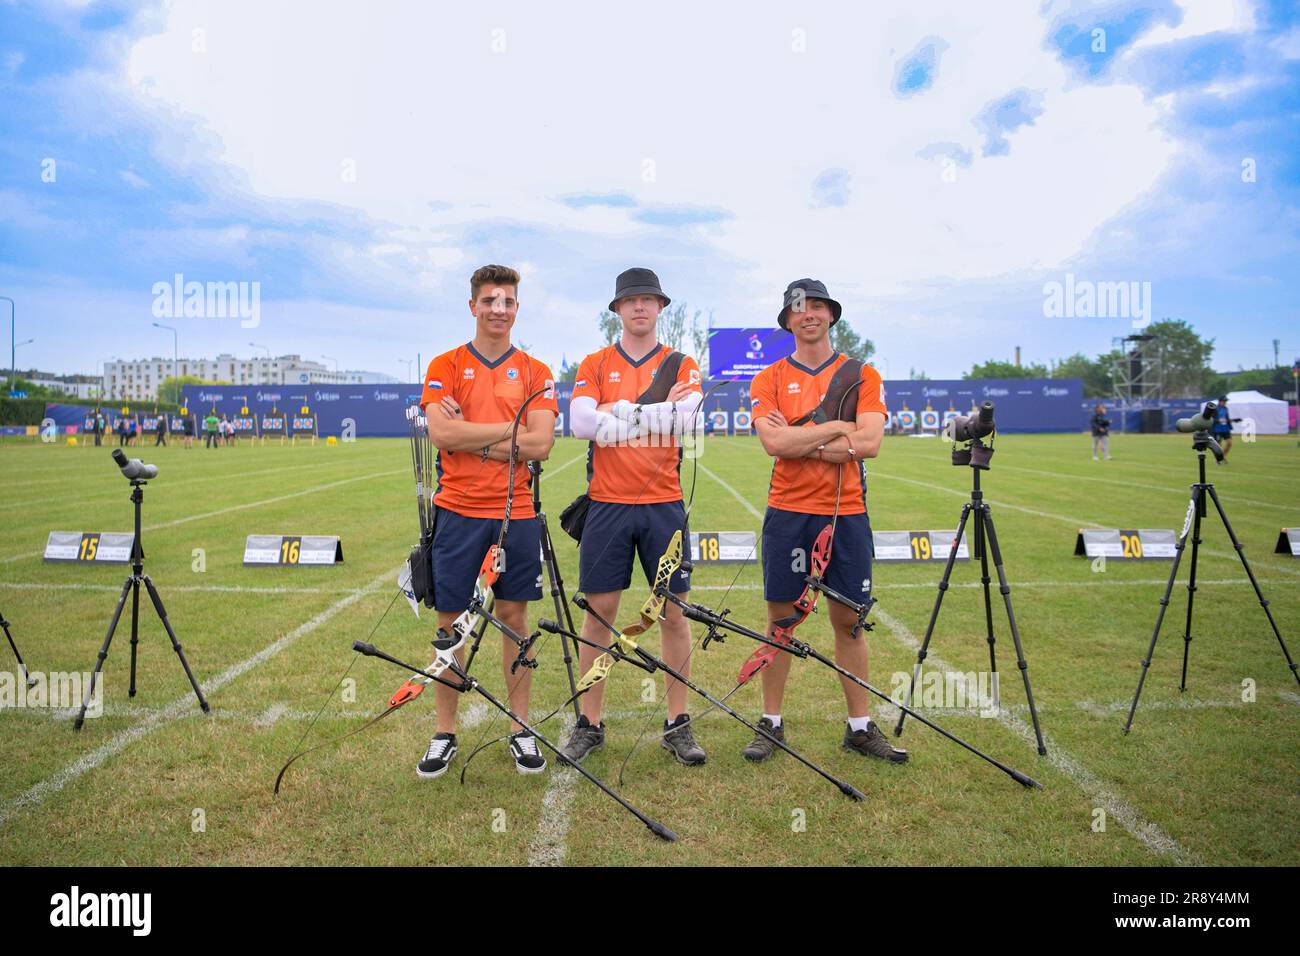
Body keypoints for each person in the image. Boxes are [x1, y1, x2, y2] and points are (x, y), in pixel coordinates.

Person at [745, 278, 906, 764]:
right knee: (781, 621)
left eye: (816, 306)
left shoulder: (862, 375)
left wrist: (804, 437)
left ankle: (859, 727)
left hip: (846, 513)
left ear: (830, 315)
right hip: (789, 512)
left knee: (849, 621)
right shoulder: (769, 378)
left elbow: (871, 443)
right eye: (798, 308)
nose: (808, 314)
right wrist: (839, 427)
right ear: (788, 320)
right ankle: (771, 723)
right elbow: (775, 446)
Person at [558, 268, 706, 767]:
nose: (639, 307)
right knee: (598, 616)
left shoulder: (681, 363)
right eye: (630, 301)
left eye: (648, 300)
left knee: (674, 614)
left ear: (660, 307)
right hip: (607, 505)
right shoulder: (596, 362)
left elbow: (687, 420)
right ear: (617, 309)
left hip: (664, 506)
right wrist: (650, 417)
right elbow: (579, 424)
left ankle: (677, 723)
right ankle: (589, 724)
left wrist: (618, 415)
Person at [416, 263, 558, 779]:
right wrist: (509, 430)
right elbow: (441, 436)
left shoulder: (537, 372)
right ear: (473, 306)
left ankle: (521, 728)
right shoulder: (446, 363)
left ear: (517, 308)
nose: (499, 309)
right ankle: (445, 732)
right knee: (450, 625)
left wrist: (469, 431)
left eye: (508, 301)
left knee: (515, 623)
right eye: (490, 300)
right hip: (456, 512)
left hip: (514, 515)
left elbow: (541, 444)